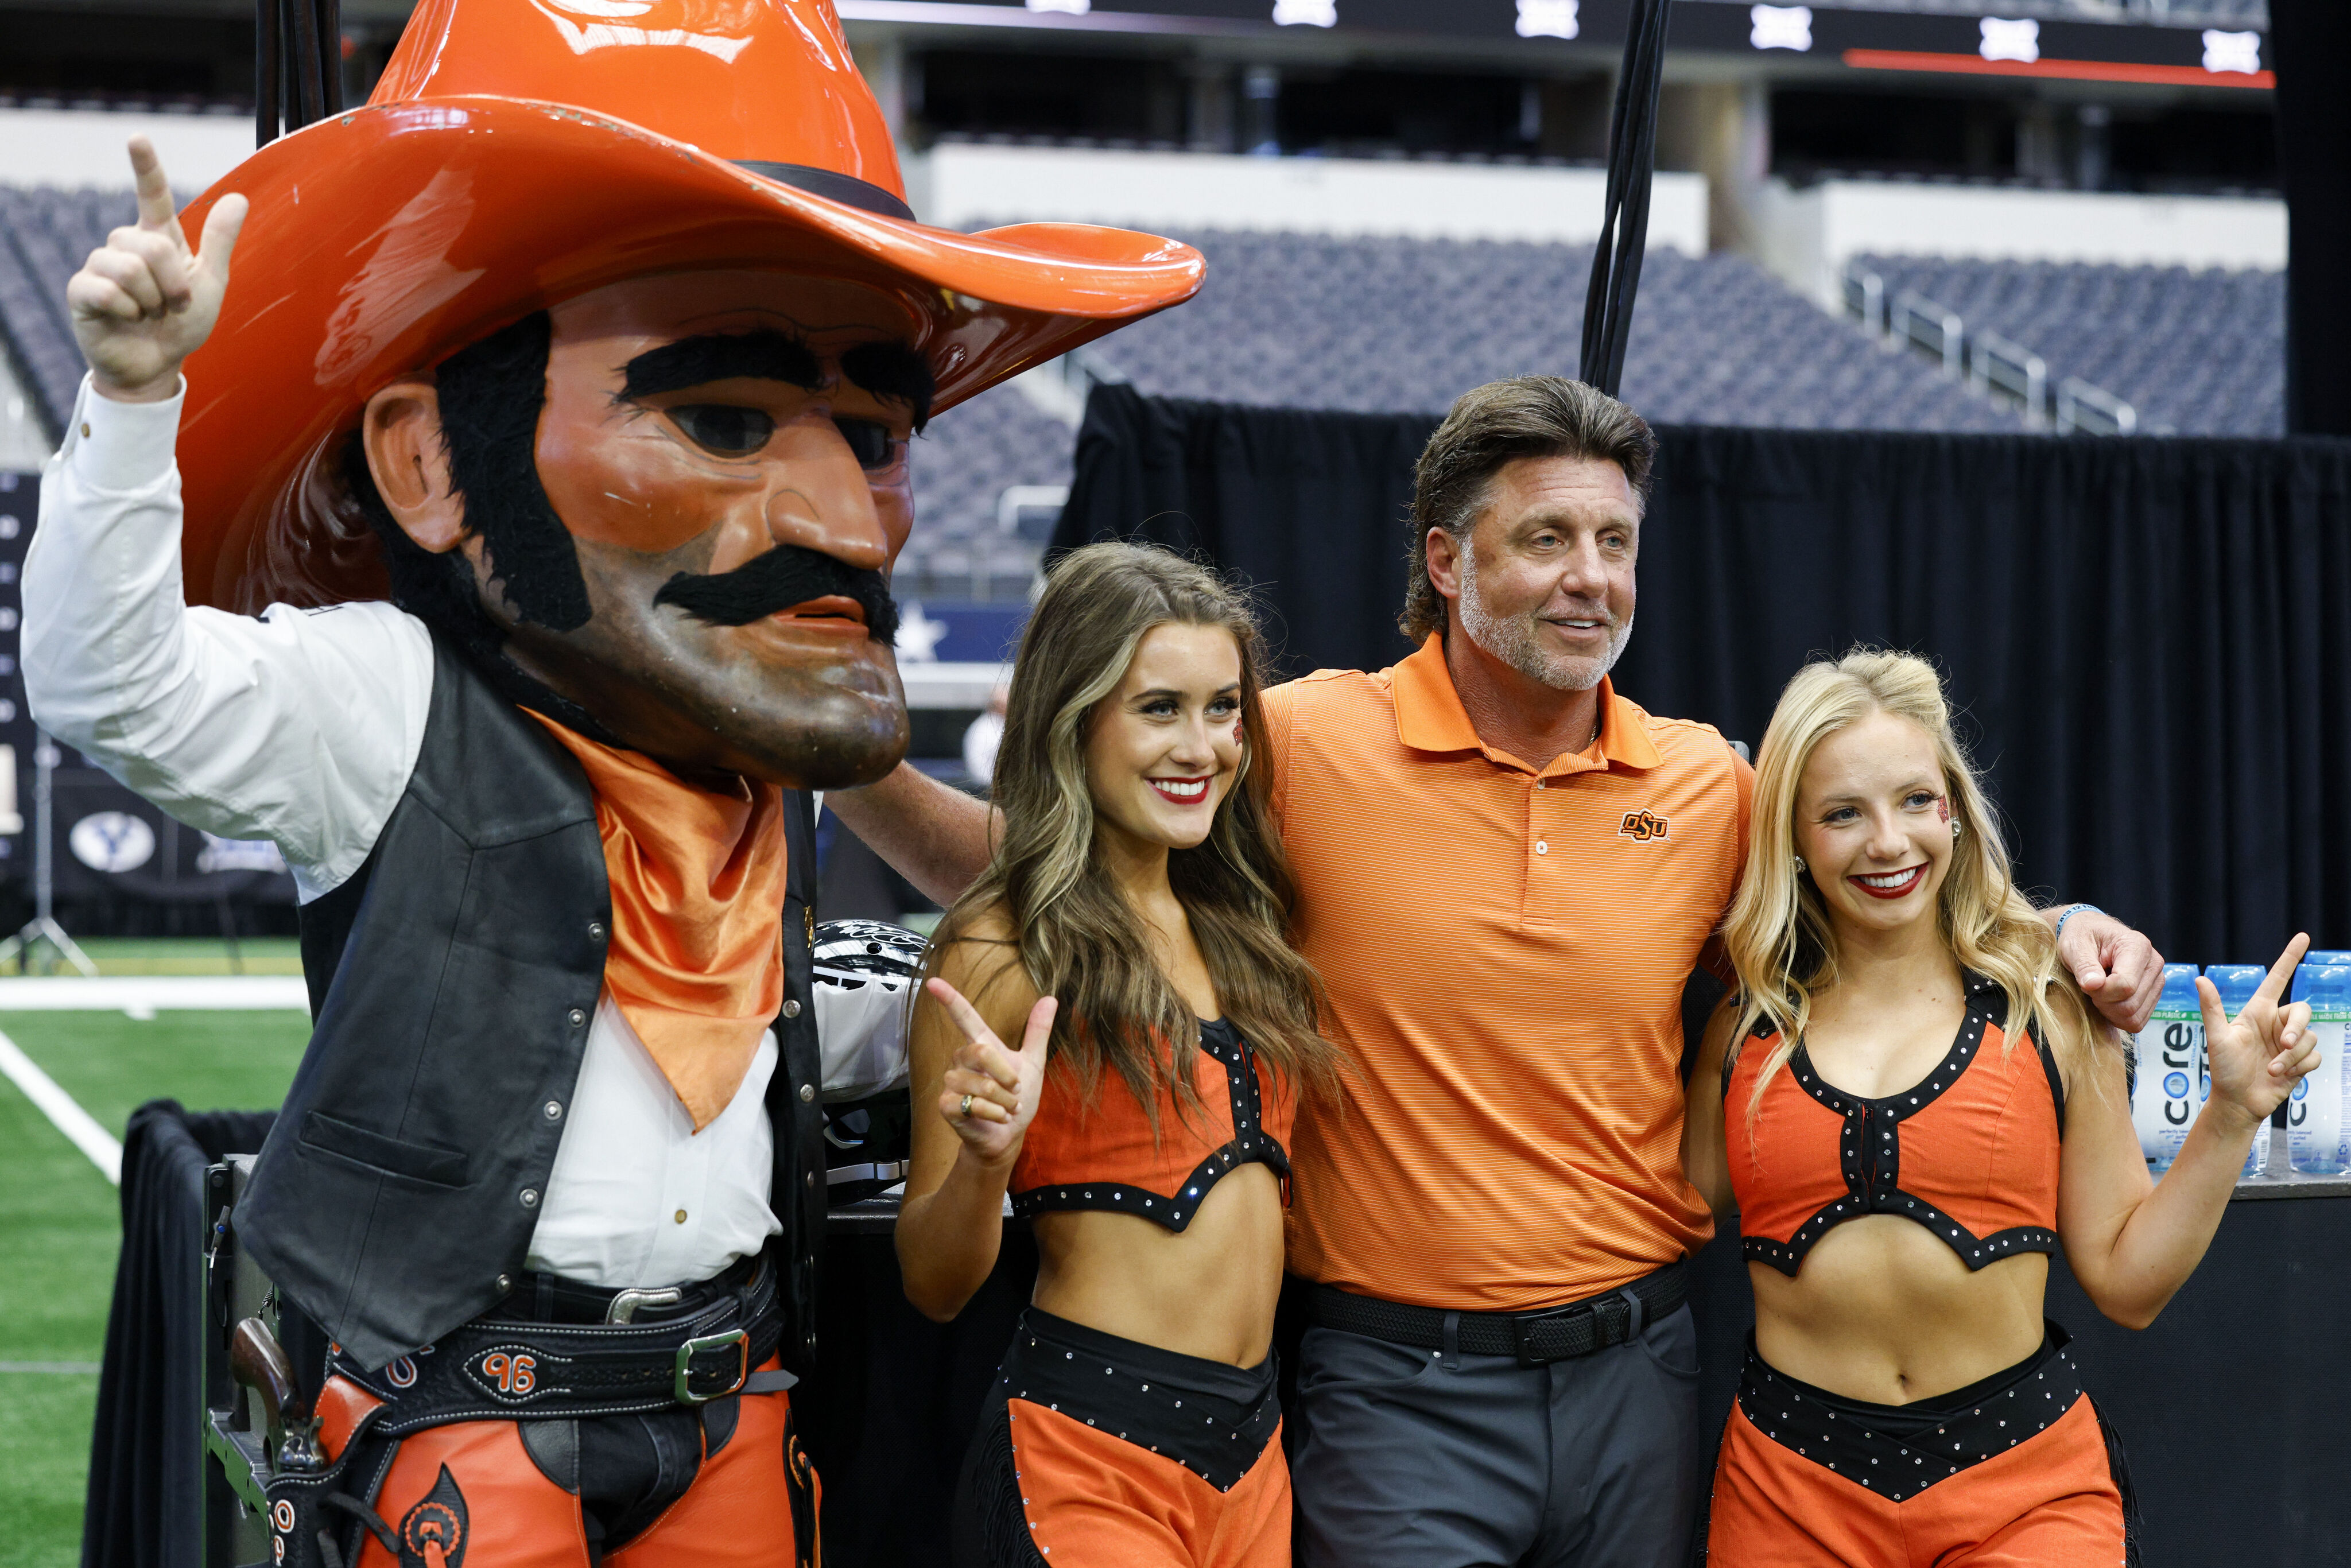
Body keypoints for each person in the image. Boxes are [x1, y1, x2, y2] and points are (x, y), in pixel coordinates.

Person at [23, 1, 1201, 1557]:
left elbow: (736, 1009)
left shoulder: (739, 734)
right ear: (433, 463)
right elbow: (114, 686)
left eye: (878, 434)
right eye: (722, 417)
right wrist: (126, 404)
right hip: (458, 1405)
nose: (852, 524)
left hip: (728, 1389)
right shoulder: (389, 699)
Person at [828, 377, 2165, 1567]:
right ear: (1445, 561)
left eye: (1614, 542)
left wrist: (2059, 926)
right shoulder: (1297, 743)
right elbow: (1062, 857)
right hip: (1388, 1385)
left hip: (1636, 1375)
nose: (1589, 576)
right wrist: (847, 761)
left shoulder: (1701, 783)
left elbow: (1877, 876)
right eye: (1544, 539)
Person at [1682, 649, 2313, 1566]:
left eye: (1914, 800)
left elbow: (2129, 1287)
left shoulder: (2048, 1006)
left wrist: (2231, 1115)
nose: (1889, 842)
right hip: (1789, 1492)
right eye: (1842, 813)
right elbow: (1659, 1216)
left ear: (1953, 806)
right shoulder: (1746, 1028)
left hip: (2024, 1489)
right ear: (1794, 838)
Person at [894, 543, 1338, 1567]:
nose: (1202, 747)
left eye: (1223, 708)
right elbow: (932, 1282)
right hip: (1086, 1454)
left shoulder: (1249, 928)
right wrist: (983, 1162)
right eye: (1158, 708)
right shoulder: (1000, 944)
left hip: (1252, 1461)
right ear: (1072, 719)